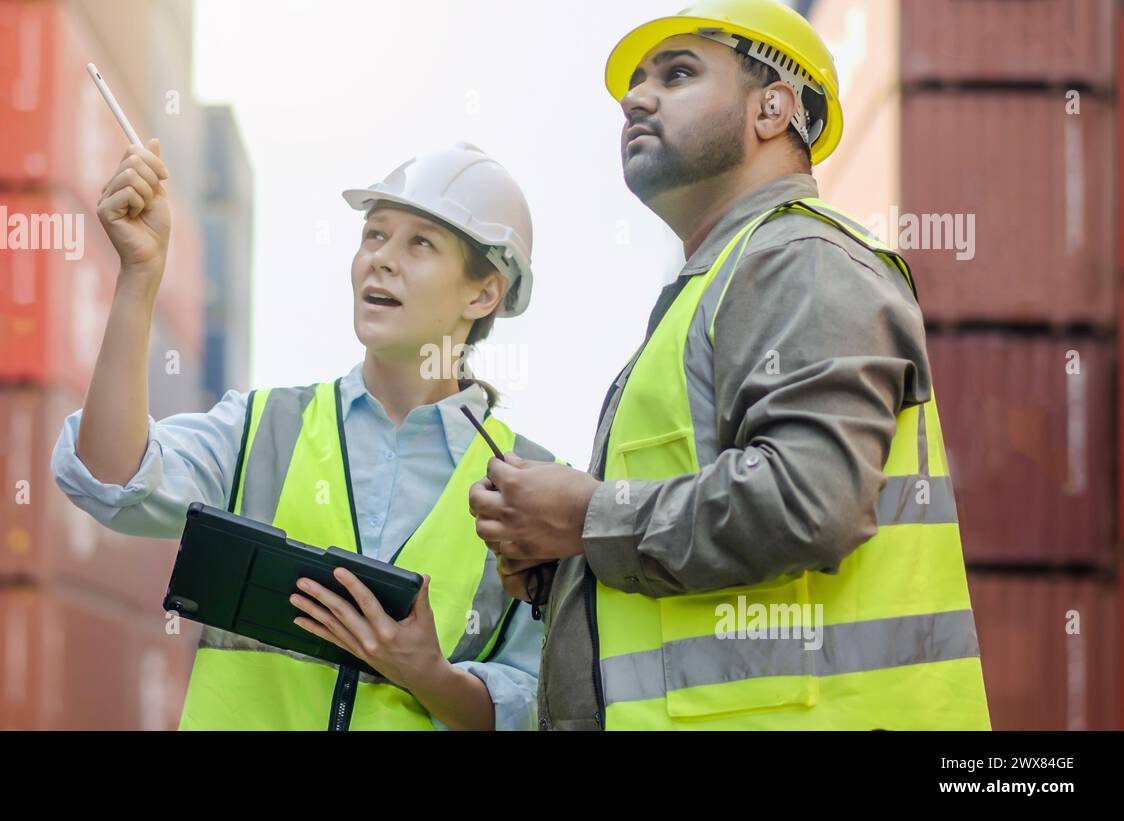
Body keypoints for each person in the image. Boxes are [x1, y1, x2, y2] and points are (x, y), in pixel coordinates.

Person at [469, 0, 991, 730]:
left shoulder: (799, 260)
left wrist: (584, 516)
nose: (637, 98)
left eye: (678, 74)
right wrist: (566, 563)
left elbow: (808, 500)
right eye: (636, 83)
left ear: (773, 108)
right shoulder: (711, 292)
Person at [52, 141, 557, 730]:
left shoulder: (528, 485)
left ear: (484, 292)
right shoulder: (263, 429)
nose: (381, 259)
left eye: (420, 243)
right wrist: (140, 277)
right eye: (374, 234)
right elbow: (110, 480)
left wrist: (429, 676)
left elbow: (537, 708)